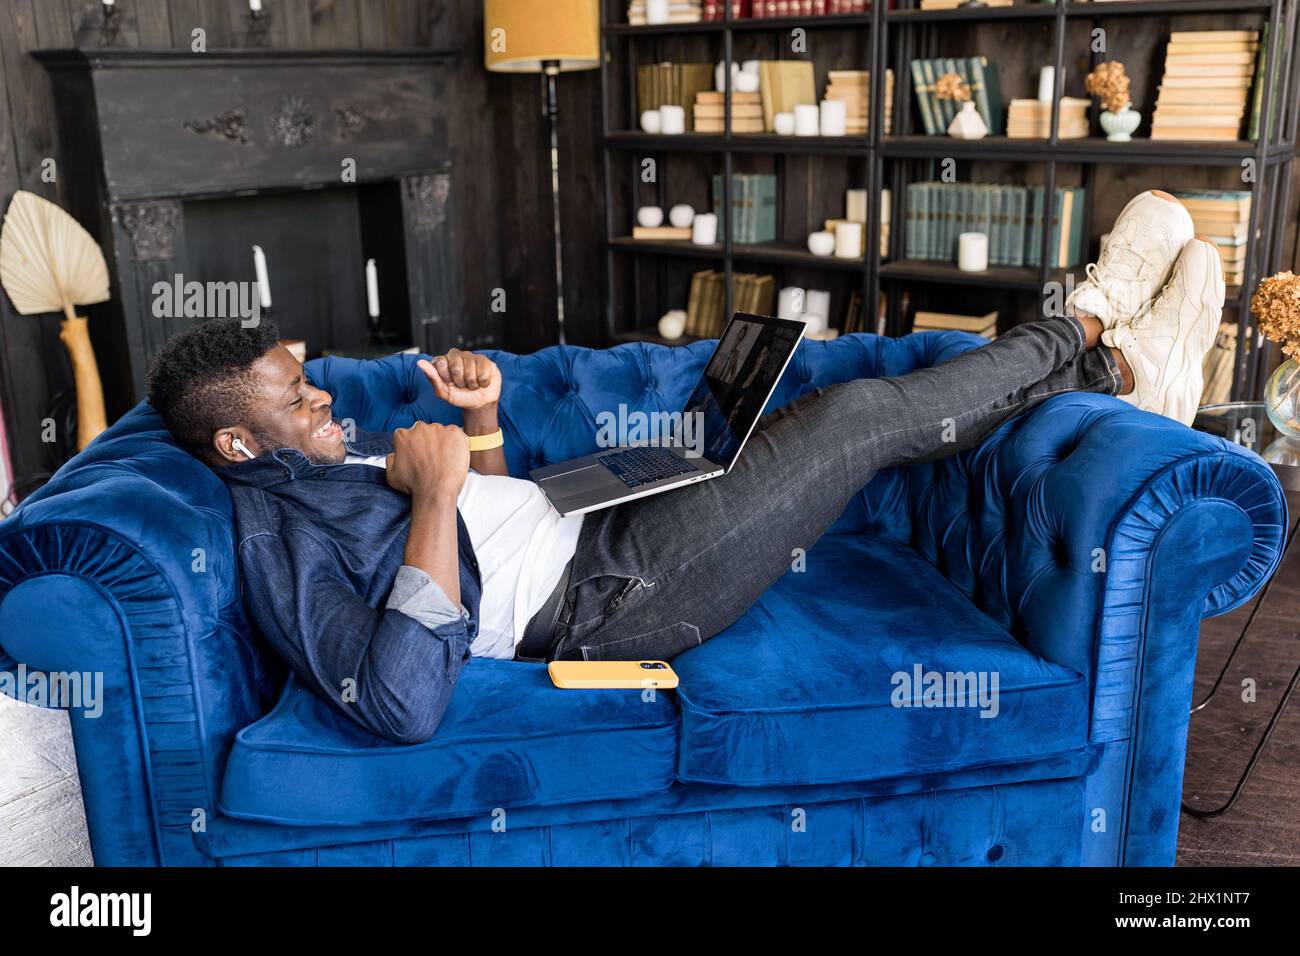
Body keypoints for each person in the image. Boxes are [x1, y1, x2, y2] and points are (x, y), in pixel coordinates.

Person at [145, 190, 1221, 744]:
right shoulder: (276, 539)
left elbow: (481, 522)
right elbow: (400, 694)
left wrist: (477, 428)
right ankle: (1084, 328)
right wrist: (432, 491)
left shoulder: (312, 467)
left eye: (308, 379)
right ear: (238, 443)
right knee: (847, 424)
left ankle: (1116, 366)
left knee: (781, 407)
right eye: (298, 396)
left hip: (587, 516)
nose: (324, 395)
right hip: (613, 596)